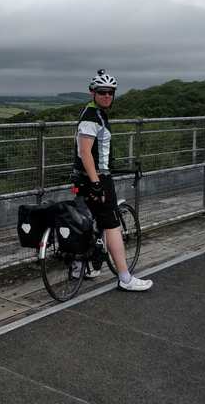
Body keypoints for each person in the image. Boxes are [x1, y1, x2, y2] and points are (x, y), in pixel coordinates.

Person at [71, 69, 153, 291]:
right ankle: (125, 278)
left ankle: (81, 266)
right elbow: (85, 152)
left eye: (111, 92)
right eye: (102, 92)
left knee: (85, 221)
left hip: (84, 177)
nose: (107, 96)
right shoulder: (91, 117)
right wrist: (97, 182)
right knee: (112, 225)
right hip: (95, 178)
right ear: (93, 92)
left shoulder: (93, 113)